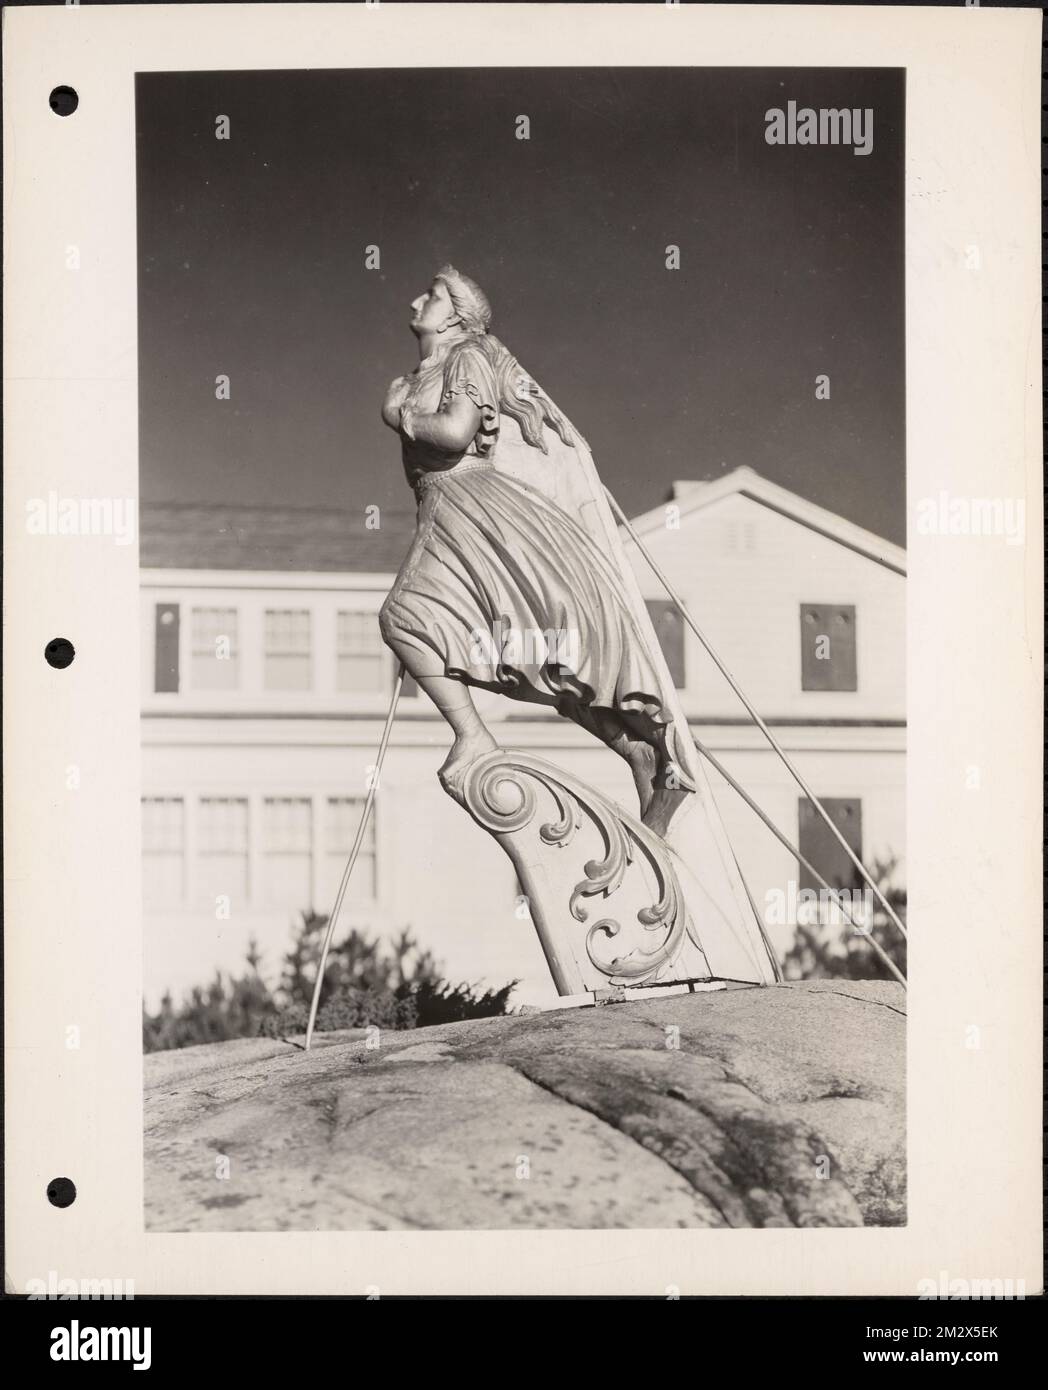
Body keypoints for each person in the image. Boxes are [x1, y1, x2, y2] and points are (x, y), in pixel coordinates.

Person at [378, 266, 694, 831]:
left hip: (468, 505)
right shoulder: (427, 370)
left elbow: (453, 432)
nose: (416, 299)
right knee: (538, 654)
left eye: (432, 294)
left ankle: (473, 737)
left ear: (455, 315)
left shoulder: (467, 357)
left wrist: (400, 415)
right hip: (449, 509)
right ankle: (641, 755)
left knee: (404, 618)